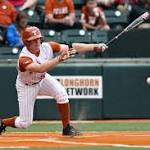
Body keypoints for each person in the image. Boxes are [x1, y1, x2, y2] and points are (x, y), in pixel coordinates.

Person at [0, 26, 108, 136]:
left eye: (38, 39)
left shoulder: (47, 47)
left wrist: (95, 47)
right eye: (33, 40)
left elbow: (72, 47)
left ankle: (67, 128)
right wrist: (58, 59)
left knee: (61, 93)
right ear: (27, 42)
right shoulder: (24, 58)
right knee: (24, 123)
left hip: (42, 79)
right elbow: (41, 68)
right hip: (27, 86)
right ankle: (2, 122)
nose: (37, 42)